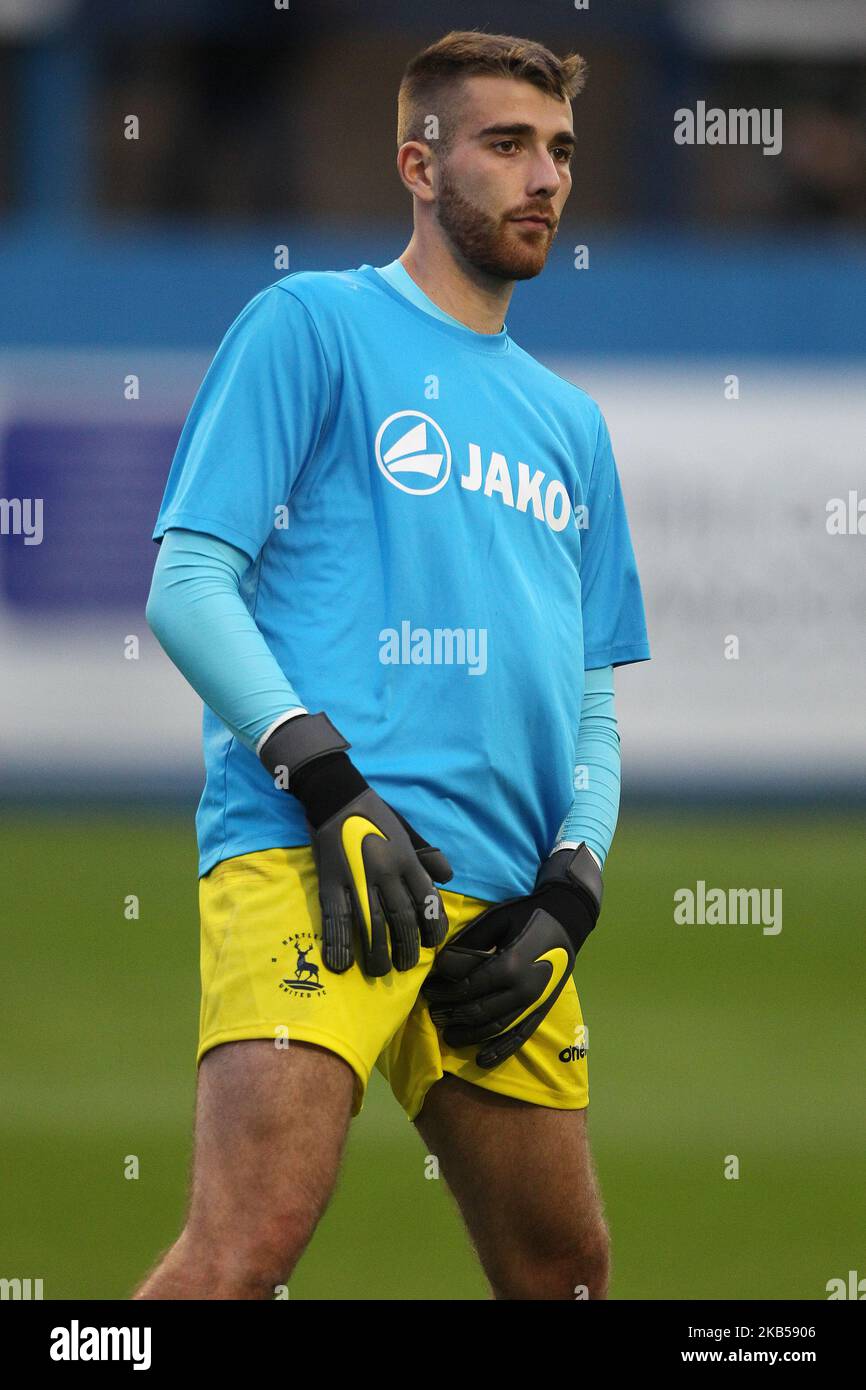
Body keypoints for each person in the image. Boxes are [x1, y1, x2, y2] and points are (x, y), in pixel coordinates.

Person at [136, 28, 650, 1301]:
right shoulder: (310, 324)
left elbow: (591, 702)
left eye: (560, 151)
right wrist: (326, 786)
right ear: (418, 164)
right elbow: (188, 587)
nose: (543, 178)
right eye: (506, 144)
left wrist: (571, 890)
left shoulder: (571, 426)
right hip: (315, 857)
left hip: (498, 915)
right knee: (242, 1252)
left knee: (565, 1275)